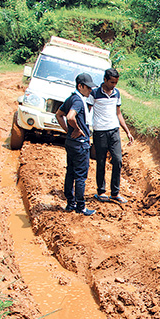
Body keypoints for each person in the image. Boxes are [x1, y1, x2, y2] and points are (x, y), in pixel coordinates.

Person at [88, 68, 134, 204]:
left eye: (116, 82)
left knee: (118, 160)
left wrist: (127, 131)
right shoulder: (95, 93)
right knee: (101, 161)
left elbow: (118, 113)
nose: (114, 85)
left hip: (114, 130)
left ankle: (115, 193)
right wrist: (88, 128)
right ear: (105, 80)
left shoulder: (117, 93)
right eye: (112, 82)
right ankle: (101, 191)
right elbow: (88, 111)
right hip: (100, 131)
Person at [56, 73, 97, 216]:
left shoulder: (71, 98)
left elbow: (58, 114)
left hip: (71, 143)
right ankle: (81, 207)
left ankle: (70, 203)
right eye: (88, 87)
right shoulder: (78, 101)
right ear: (80, 86)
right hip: (80, 144)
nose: (90, 90)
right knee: (80, 176)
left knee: (71, 172)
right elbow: (69, 116)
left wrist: (68, 130)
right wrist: (77, 130)